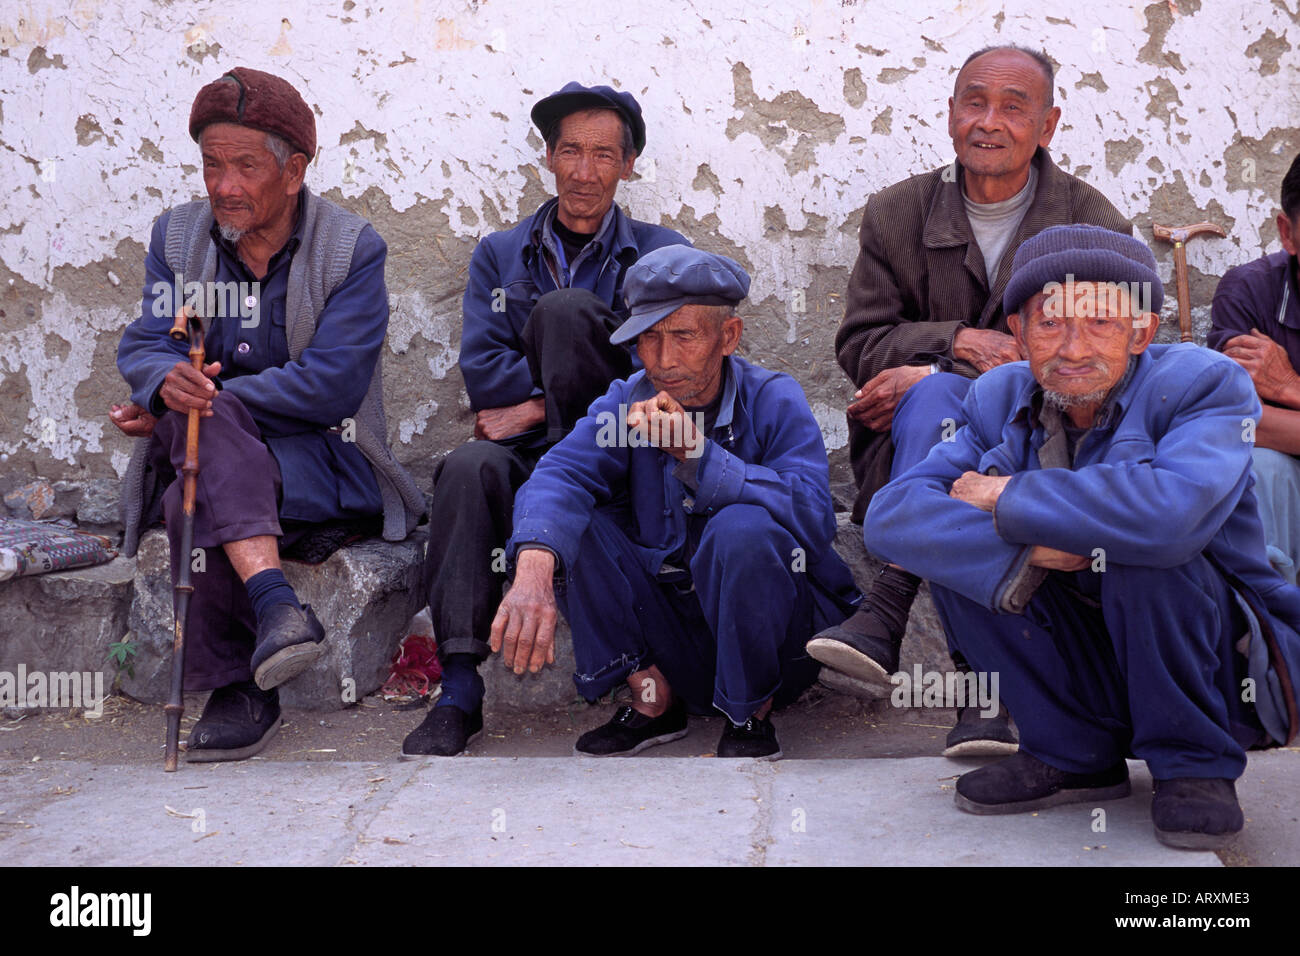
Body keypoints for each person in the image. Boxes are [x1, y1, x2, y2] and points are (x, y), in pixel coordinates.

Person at [866, 224, 1300, 849]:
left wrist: (1009, 498)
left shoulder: (1205, 385)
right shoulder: (995, 397)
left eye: (1100, 323)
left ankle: (1193, 764)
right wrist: (1033, 546)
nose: (1072, 349)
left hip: (1219, 670)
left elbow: (1170, 516)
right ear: (1017, 333)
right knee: (960, 557)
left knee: (1146, 554)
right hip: (1092, 648)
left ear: (1142, 332)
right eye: (1049, 324)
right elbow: (895, 516)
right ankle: (1072, 753)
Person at [809, 44, 1130, 755]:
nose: (989, 122)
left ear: (1046, 126)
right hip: (910, 446)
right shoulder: (897, 214)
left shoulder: (1092, 225)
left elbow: (1104, 369)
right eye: (973, 103)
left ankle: (888, 609)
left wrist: (930, 370)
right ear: (950, 114)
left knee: (939, 397)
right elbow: (859, 345)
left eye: (1013, 108)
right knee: (940, 407)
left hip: (1043, 447)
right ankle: (984, 692)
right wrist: (959, 341)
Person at [113, 67, 424, 761]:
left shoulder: (350, 248)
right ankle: (276, 608)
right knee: (200, 451)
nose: (224, 185)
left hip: (318, 458)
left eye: (245, 166)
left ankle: (239, 687)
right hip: (218, 456)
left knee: (198, 454)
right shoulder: (179, 240)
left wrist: (198, 402)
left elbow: (331, 384)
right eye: (212, 165)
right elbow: (144, 342)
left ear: (293, 171)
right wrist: (163, 383)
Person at [401, 82, 689, 757]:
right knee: (469, 466)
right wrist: (555, 395)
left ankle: (567, 494)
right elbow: (484, 374)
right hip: (529, 455)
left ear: (629, 164)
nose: (585, 173)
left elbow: (667, 372)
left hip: (624, 458)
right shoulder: (500, 255)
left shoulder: (660, 253)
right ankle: (461, 691)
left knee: (563, 312)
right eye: (570, 152)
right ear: (549, 159)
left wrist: (537, 404)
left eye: (603, 155)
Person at [492, 245, 860, 760]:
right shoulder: (627, 399)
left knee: (744, 530)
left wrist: (699, 457)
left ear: (728, 337)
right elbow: (561, 473)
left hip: (776, 645)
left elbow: (814, 516)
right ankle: (652, 697)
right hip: (673, 636)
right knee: (571, 524)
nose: (663, 361)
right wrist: (532, 565)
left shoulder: (774, 399)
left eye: (684, 336)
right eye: (649, 338)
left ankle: (749, 712)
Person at [1210, 151, 1300, 584]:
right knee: (1264, 468)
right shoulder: (1250, 291)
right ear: (1288, 232)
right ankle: (1276, 626)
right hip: (1288, 474)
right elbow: (1240, 423)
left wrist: (1291, 387)